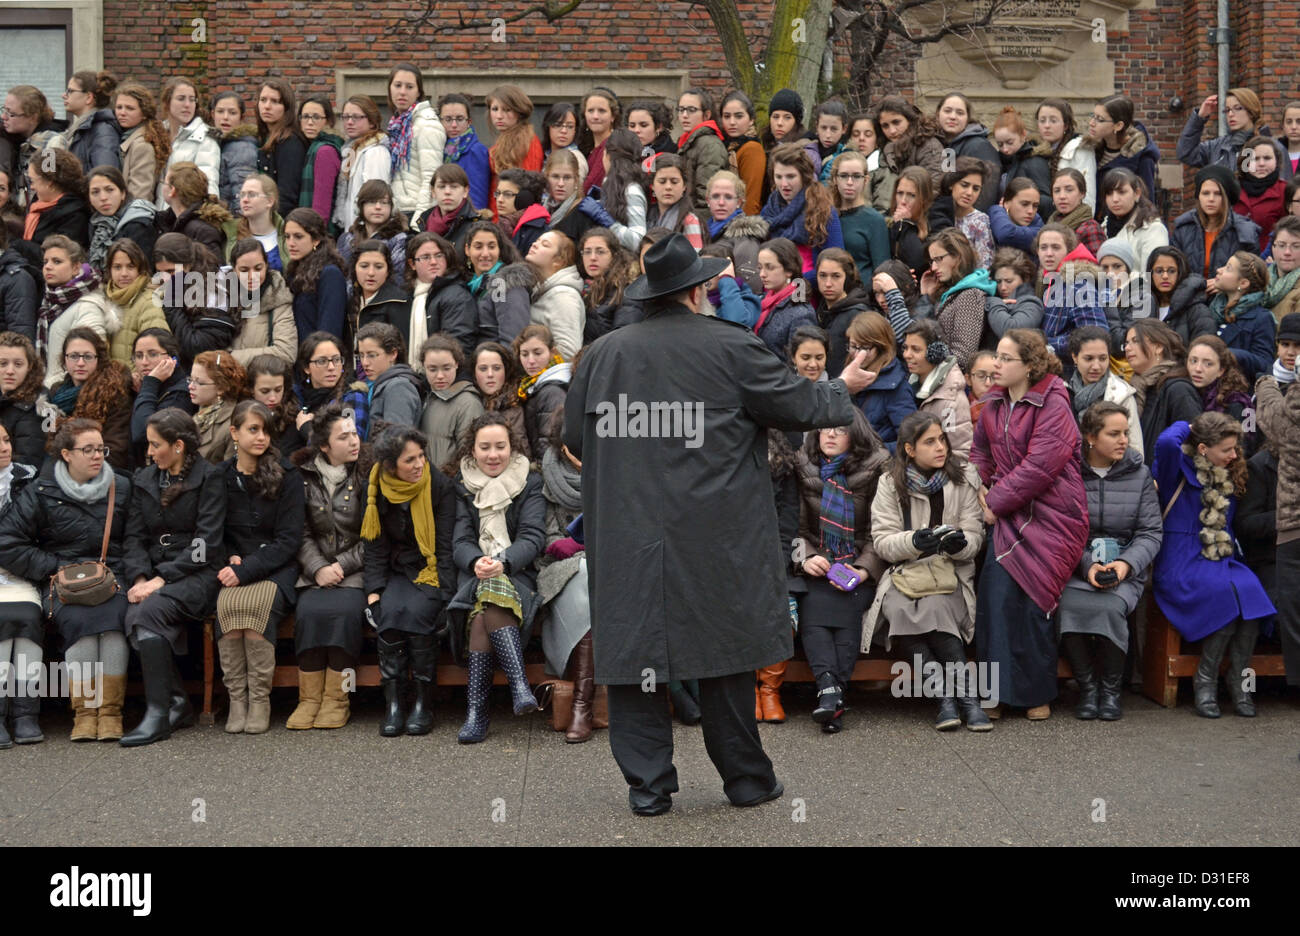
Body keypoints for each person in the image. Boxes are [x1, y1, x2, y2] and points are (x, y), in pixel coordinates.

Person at [563, 232, 874, 815]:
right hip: (716, 531)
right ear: (698, 290)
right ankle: (747, 781)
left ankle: (649, 789)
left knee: (636, 661)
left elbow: (574, 438)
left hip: (628, 532)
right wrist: (844, 387)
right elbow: (801, 406)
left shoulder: (604, 353)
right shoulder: (732, 345)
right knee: (725, 654)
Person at [971, 328, 1089, 720]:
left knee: (1034, 601)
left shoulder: (1055, 402)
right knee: (996, 596)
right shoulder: (992, 404)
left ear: (1030, 365)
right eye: (995, 358)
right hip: (1008, 513)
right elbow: (980, 452)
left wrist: (996, 503)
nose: (995, 367)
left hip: (1054, 515)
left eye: (1005, 360)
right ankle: (994, 694)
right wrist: (984, 488)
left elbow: (1041, 467)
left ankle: (1034, 694)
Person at [0, 417, 132, 744]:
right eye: (87, 450)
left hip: (112, 575)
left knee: (114, 624)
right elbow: (7, 542)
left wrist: (130, 574)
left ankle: (111, 712)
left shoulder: (123, 486)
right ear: (66, 455)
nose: (97, 456)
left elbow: (136, 540)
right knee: (78, 623)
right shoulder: (41, 491)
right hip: (63, 580)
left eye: (101, 449)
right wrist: (55, 567)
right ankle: (86, 712)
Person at [863, 411, 989, 730]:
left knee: (937, 609)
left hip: (950, 574)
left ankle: (968, 702)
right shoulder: (890, 482)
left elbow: (976, 536)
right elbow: (882, 541)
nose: (940, 448)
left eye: (942, 439)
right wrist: (915, 541)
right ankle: (946, 700)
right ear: (909, 449)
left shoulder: (964, 477)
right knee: (900, 611)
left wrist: (960, 544)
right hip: (905, 574)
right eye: (929, 442)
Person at [1154, 414, 1274, 717]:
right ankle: (1205, 679)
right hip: (1180, 559)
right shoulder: (1177, 469)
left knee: (1253, 595)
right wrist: (1189, 425)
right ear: (1204, 448)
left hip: (1220, 556)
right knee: (1225, 596)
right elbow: (1168, 441)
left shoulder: (1227, 473)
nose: (1234, 455)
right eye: (1227, 449)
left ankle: (1239, 679)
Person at [119, 407, 224, 745]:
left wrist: (161, 579)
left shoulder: (210, 477)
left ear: (178, 445)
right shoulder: (145, 479)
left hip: (199, 573)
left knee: (146, 612)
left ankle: (159, 713)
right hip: (152, 573)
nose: (149, 452)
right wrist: (138, 578)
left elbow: (206, 543)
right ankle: (175, 703)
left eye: (155, 445)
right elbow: (134, 537)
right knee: (135, 610)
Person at [444, 412, 547, 742]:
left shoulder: (529, 482)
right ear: (472, 450)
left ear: (511, 446)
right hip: (474, 574)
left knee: (482, 614)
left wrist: (503, 563)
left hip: (518, 574)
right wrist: (477, 561)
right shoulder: (461, 485)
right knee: (487, 593)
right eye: (484, 447)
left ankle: (477, 713)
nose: (493, 454)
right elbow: (459, 541)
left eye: (500, 446)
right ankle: (519, 686)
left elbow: (532, 537)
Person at [1058, 401, 1162, 721]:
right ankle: (1088, 688)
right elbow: (1062, 530)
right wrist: (1087, 565)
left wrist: (1126, 565)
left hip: (1124, 566)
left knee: (1110, 606)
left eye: (1125, 433)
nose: (1123, 440)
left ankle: (1111, 690)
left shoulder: (1140, 473)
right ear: (1090, 437)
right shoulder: (1068, 472)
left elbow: (1150, 532)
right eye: (1113, 434)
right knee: (1066, 604)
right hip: (1078, 565)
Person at [792, 409, 888, 733]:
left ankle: (829, 693)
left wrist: (862, 570)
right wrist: (805, 558)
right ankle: (833, 694)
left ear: (856, 436)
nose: (830, 434)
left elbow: (880, 533)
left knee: (847, 603)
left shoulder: (877, 469)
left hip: (857, 562)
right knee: (814, 607)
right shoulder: (801, 466)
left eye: (839, 430)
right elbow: (793, 528)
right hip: (817, 564)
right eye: (824, 429)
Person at [361, 424, 457, 736]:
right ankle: (393, 702)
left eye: (421, 456)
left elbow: (444, 546)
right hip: (396, 570)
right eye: (409, 460)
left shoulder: (439, 485)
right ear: (390, 466)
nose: (418, 465)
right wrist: (373, 592)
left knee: (418, 613)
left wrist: (446, 593)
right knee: (388, 613)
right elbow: (373, 546)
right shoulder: (376, 486)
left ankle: (422, 702)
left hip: (428, 568)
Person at [214, 400, 304, 734]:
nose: (261, 437)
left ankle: (260, 699)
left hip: (275, 567)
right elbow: (211, 530)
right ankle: (238, 700)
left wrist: (247, 567)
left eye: (266, 430)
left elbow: (289, 540)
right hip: (233, 567)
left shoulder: (287, 475)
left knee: (256, 608)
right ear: (234, 432)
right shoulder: (220, 476)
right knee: (228, 607)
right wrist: (229, 558)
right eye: (253, 430)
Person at [288, 403, 370, 730]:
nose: (354, 442)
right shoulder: (303, 476)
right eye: (343, 437)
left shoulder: (368, 473)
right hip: (314, 570)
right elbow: (300, 531)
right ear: (324, 445)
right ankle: (309, 700)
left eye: (354, 434)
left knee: (346, 618)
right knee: (308, 615)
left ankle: (339, 698)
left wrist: (341, 565)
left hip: (356, 570)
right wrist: (319, 567)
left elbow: (374, 534)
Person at [534, 407, 598, 740]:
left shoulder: (613, 472)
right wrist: (574, 546)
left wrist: (584, 546)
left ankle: (581, 705)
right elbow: (546, 540)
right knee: (585, 574)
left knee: (591, 573)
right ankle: (581, 706)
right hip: (556, 569)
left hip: (606, 565)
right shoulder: (545, 473)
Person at [1255, 357, 1300, 687]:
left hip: (1293, 524)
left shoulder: (1292, 408)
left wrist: (1266, 383)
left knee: (1294, 608)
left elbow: (1273, 417)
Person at [0, 421, 41, 746]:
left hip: (20, 572)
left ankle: (25, 713)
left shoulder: (29, 480)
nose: (3, 447)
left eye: (5, 439)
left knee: (27, 617)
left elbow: (37, 533)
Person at [47, 328, 132, 471]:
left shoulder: (114, 391)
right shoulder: (56, 393)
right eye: (74, 356)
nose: (80, 363)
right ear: (64, 359)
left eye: (87, 356)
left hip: (100, 471)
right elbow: (48, 436)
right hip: (58, 467)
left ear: (99, 359)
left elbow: (116, 447)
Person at [761, 143, 843, 286]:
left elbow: (835, 261)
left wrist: (794, 284)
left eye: (791, 176)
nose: (784, 184)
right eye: (778, 177)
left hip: (808, 287)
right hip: (773, 287)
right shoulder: (769, 209)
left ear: (804, 177)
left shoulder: (823, 210)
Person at [37, 235, 114, 389]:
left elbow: (91, 363)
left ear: (75, 268)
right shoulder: (51, 301)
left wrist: (60, 392)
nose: (48, 267)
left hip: (69, 394)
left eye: (57, 261)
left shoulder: (88, 306)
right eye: (45, 262)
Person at [152, 234, 237, 368]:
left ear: (188, 264)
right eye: (160, 272)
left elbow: (198, 347)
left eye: (171, 271)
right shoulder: (179, 285)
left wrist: (172, 303)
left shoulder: (214, 291)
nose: (166, 279)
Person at [1125, 318, 1203, 462]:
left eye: (1135, 341)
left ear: (1158, 347)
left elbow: (1193, 441)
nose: (1127, 348)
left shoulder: (1178, 389)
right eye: (1127, 343)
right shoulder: (1133, 389)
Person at [396, 231, 479, 366]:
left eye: (439, 255)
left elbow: (460, 346)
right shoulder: (408, 296)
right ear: (412, 264)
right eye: (425, 257)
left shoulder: (456, 295)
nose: (433, 262)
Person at [1177, 88, 1293, 180]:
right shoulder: (1217, 146)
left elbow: (1285, 188)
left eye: (1237, 108)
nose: (1231, 114)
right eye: (1227, 110)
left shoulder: (1273, 148)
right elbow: (1186, 153)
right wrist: (1199, 118)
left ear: (1251, 110)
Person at [919, 228, 995, 369]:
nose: (934, 267)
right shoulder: (949, 291)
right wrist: (926, 297)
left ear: (958, 256)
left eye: (939, 259)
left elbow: (963, 357)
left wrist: (925, 362)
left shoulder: (970, 295)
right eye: (931, 261)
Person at [1171, 166, 1261, 280]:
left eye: (1218, 193)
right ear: (1198, 196)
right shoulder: (1182, 229)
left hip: (1230, 295)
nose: (1211, 199)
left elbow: (1252, 276)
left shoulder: (1245, 232)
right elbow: (1174, 272)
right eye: (1205, 193)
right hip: (1190, 295)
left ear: (1227, 197)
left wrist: (1222, 284)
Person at [844, 309, 915, 451]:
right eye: (853, 346)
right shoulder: (847, 373)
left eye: (864, 347)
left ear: (881, 347)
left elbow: (911, 442)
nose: (857, 354)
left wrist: (871, 453)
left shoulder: (896, 388)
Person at [1034, 223, 1109, 359]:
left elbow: (1095, 335)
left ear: (1069, 250)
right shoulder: (1049, 280)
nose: (1049, 253)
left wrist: (1045, 346)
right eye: (1043, 247)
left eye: (1056, 247)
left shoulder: (1079, 285)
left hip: (1073, 373)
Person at [900, 318, 972, 458]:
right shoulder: (909, 386)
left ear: (936, 353)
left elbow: (959, 454)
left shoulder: (950, 401)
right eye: (905, 348)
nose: (907, 355)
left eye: (915, 349)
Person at [1068, 325, 1143, 459]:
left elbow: (1136, 452)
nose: (1096, 366)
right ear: (1075, 357)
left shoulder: (1122, 394)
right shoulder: (1063, 391)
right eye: (1089, 358)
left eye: (1102, 359)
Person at [386, 64, 446, 221]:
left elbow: (431, 178)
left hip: (414, 212)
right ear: (390, 88)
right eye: (398, 85)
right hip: (397, 211)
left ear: (419, 92)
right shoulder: (396, 125)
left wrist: (419, 221)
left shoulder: (427, 124)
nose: (402, 92)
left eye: (409, 87)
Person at [418, 333, 483, 472]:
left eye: (446, 368)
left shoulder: (468, 403)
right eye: (432, 369)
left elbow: (469, 457)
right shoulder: (423, 396)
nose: (440, 376)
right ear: (423, 366)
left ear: (457, 365)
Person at [1084, 95, 1161, 211]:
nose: (1091, 123)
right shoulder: (1089, 150)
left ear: (1118, 125)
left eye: (1099, 119)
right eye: (1092, 116)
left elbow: (1146, 203)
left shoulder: (1142, 157)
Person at [1208, 251, 1275, 381]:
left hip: (1235, 390)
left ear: (1243, 283)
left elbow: (1264, 364)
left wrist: (1230, 355)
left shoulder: (1261, 318)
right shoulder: (1211, 306)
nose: (1219, 270)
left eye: (1228, 268)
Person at [227, 239, 295, 367]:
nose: (252, 276)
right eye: (244, 270)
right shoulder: (221, 297)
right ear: (234, 270)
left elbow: (286, 353)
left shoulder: (280, 299)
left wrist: (229, 358)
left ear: (267, 265)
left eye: (258, 268)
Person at [462, 220, 530, 347]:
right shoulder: (471, 284)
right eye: (478, 247)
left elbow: (513, 341)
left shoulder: (506, 284)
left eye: (492, 246)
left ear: (500, 250)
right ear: (467, 250)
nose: (485, 253)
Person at [128, 329, 191, 464]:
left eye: (153, 354)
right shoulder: (139, 386)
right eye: (138, 356)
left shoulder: (181, 392)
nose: (144, 362)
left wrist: (150, 384)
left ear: (172, 358)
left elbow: (142, 433)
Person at [293, 332, 369, 444]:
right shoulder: (297, 397)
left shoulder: (352, 396)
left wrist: (307, 428)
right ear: (306, 367)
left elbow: (350, 444)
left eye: (336, 360)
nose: (331, 367)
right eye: (322, 361)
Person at [284, 207, 346, 342]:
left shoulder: (330, 274)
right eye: (287, 237)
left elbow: (330, 331)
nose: (291, 243)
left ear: (316, 239)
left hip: (317, 357)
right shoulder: (292, 272)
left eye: (298, 236)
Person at [156, 77, 220, 207]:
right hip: (158, 218)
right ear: (167, 102)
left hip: (186, 220)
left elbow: (209, 185)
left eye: (192, 100)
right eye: (181, 99)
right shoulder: (156, 134)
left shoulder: (205, 139)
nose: (187, 105)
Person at [1138, 245, 1215, 351]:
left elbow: (1205, 352)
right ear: (1150, 274)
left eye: (1171, 271)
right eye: (1159, 271)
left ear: (1180, 273)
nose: (1165, 276)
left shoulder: (1198, 311)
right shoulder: (1140, 305)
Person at [830, 149, 890, 281]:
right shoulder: (827, 217)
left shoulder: (874, 220)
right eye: (844, 176)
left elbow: (881, 269)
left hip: (862, 293)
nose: (850, 182)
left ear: (866, 180)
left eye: (856, 176)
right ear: (835, 179)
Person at [335, 95, 392, 233]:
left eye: (356, 117)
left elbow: (376, 197)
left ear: (372, 121)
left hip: (366, 232)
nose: (349, 122)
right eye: (346, 117)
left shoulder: (375, 152)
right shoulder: (351, 151)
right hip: (353, 230)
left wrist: (366, 232)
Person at [705, 170, 769, 294]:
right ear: (708, 200)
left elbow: (751, 289)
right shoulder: (701, 231)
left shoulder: (746, 237)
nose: (721, 203)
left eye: (728, 197)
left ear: (739, 202)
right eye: (716, 196)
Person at [1096, 168, 1168, 276]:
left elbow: (1153, 277)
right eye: (1109, 193)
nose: (1115, 199)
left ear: (1137, 193)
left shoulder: (1153, 229)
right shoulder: (1103, 228)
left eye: (1122, 192)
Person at [525, 230, 584, 359]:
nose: (534, 244)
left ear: (559, 261)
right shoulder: (543, 290)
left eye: (545, 244)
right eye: (536, 241)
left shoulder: (563, 296)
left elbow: (569, 352)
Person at [577, 227, 643, 342]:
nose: (592, 258)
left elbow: (624, 339)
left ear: (614, 255)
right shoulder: (586, 287)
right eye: (587, 252)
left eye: (600, 252)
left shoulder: (626, 290)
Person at [513, 324, 569, 459]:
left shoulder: (552, 390)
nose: (530, 361)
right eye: (524, 354)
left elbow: (549, 443)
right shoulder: (531, 385)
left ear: (552, 352)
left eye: (537, 353)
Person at [357, 321, 421, 438]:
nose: (364, 363)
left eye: (372, 355)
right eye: (361, 355)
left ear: (393, 354)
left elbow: (396, 441)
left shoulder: (399, 387)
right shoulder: (371, 384)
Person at [486, 85, 543, 217]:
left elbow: (528, 192)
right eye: (495, 109)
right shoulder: (500, 142)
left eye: (507, 110)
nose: (499, 116)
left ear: (519, 111)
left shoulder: (528, 142)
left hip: (514, 220)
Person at [252, 78, 306, 217]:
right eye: (263, 100)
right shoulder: (263, 137)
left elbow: (286, 196)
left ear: (286, 108)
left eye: (275, 101)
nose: (267, 106)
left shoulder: (290, 142)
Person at [755, 237, 816, 359]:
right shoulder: (762, 301)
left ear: (789, 270)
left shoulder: (801, 313)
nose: (762, 274)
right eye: (760, 267)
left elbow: (800, 364)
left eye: (770, 267)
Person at [813, 248, 871, 377]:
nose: (828, 283)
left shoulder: (857, 314)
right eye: (822, 275)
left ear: (847, 277)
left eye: (836, 276)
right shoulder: (820, 310)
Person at [155, 161, 230, 260]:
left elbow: (212, 272)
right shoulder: (169, 221)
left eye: (164, 183)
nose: (163, 186)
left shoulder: (202, 231)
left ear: (172, 190)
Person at [3, 85, 62, 210]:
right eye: (4, 110)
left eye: (11, 114)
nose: (4, 117)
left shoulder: (51, 144)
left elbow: (49, 185)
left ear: (32, 117)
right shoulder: (16, 142)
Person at [113, 82, 170, 206]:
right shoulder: (126, 136)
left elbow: (140, 194)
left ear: (144, 114)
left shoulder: (142, 145)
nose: (122, 113)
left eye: (130, 108)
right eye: (119, 107)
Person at [87, 167, 157, 267]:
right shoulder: (96, 222)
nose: (103, 198)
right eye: (95, 192)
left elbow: (143, 269)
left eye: (109, 190)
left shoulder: (138, 223)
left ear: (123, 193)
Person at [471, 340, 530, 459]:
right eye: (483, 369)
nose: (490, 374)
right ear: (474, 373)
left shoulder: (513, 406)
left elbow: (521, 454)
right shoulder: (468, 401)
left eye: (496, 368)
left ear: (506, 371)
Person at [931, 157, 994, 268]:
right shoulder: (936, 211)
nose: (969, 192)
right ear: (951, 184)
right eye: (964, 185)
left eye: (976, 188)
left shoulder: (980, 221)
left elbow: (985, 266)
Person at [23, 146, 91, 248]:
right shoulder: (38, 205)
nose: (31, 187)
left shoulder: (75, 216)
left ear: (49, 182)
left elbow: (60, 255)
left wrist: (19, 247)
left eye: (32, 181)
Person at [674, 88, 729, 213]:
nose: (684, 115)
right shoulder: (688, 141)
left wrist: (695, 227)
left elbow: (707, 197)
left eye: (691, 110)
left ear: (707, 115)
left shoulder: (710, 145)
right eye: (681, 109)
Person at [992, 105, 1053, 215]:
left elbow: (1046, 202)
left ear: (1023, 135)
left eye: (1009, 142)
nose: (1005, 149)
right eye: (1000, 144)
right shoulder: (1002, 162)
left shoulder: (1035, 162)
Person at [876, 95, 946, 190]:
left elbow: (933, 186)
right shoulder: (883, 147)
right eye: (885, 126)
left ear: (909, 119)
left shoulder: (929, 145)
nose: (892, 131)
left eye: (896, 122)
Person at [433, 94, 488, 214]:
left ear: (469, 122)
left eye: (459, 119)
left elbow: (478, 197)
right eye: (448, 119)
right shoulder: (439, 147)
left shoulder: (476, 150)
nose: (453, 125)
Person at [0, 331, 46, 469]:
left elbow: (28, 465)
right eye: (3, 364)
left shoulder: (39, 404)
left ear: (29, 366)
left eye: (18, 364)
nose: (10, 371)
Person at [243, 353, 303, 456]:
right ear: (251, 389)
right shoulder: (240, 415)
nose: (273, 398)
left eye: (278, 390)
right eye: (265, 391)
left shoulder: (294, 419)